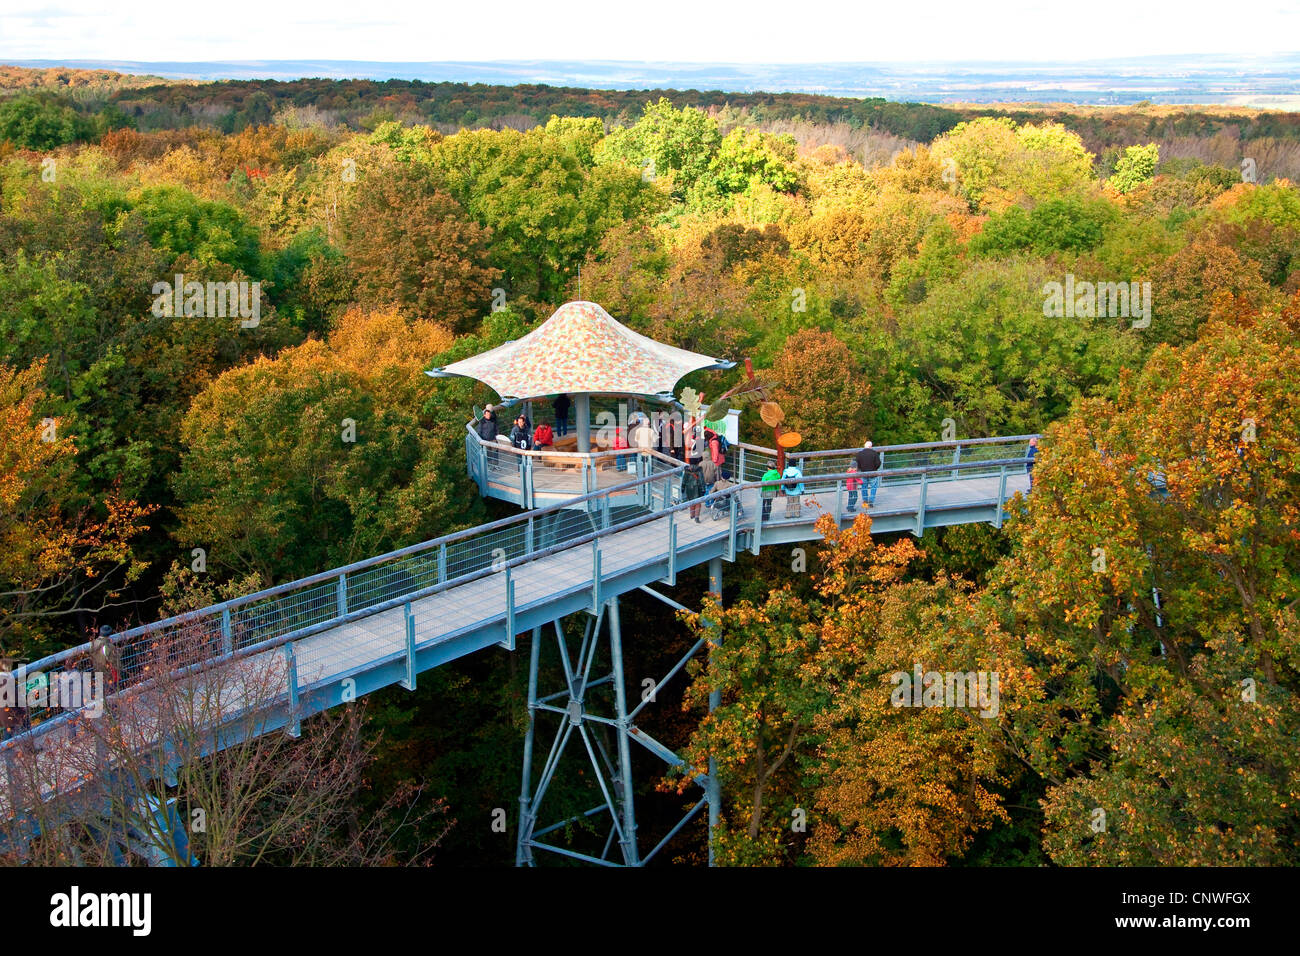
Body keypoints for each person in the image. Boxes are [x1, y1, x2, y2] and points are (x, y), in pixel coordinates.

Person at [854, 440, 882, 507]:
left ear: (864, 446)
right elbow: (878, 463)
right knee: (873, 487)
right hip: (873, 473)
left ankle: (865, 501)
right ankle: (871, 502)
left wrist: (861, 469)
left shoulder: (859, 454)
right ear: (871, 446)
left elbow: (857, 463)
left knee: (864, 487)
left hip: (863, 473)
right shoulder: (874, 453)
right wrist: (875, 468)